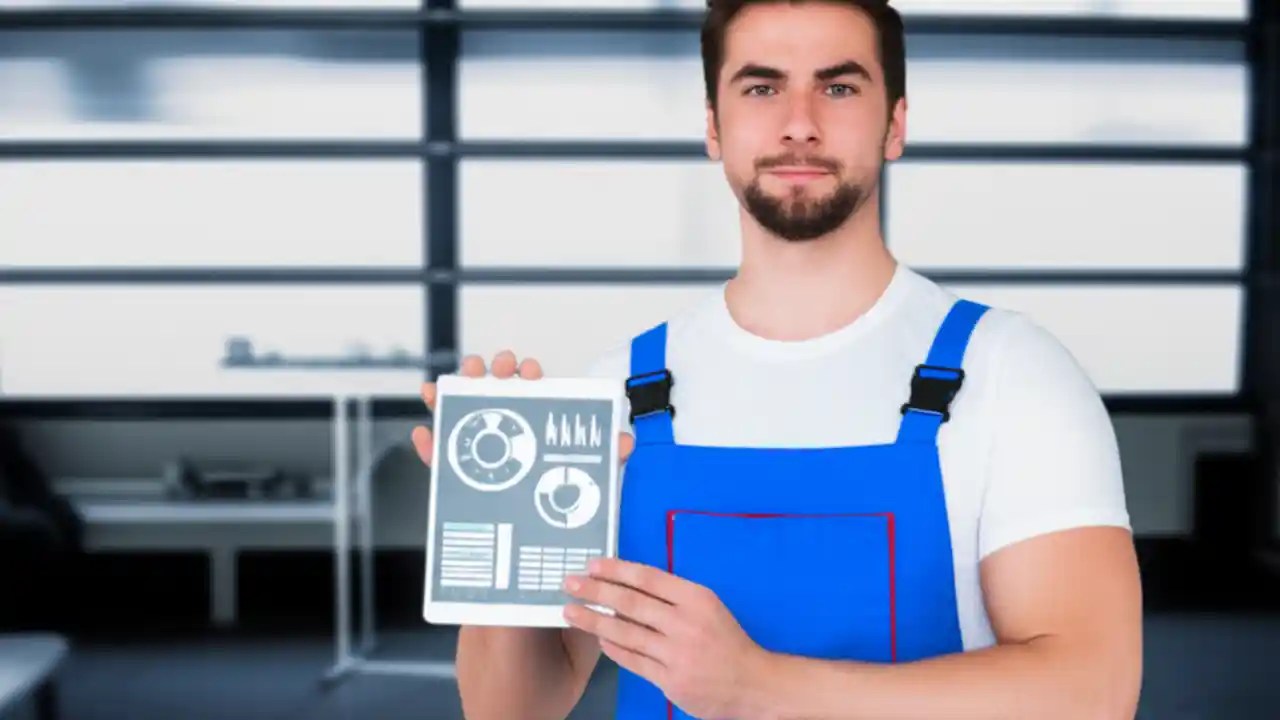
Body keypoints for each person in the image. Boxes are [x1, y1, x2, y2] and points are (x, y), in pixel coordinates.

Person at [411, 1, 1143, 717]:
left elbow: (1090, 690)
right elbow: (511, 710)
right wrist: (497, 529)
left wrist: (757, 687)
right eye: (761, 87)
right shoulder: (616, 394)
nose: (800, 123)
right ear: (712, 127)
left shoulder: (1014, 376)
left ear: (896, 124)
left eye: (839, 86)